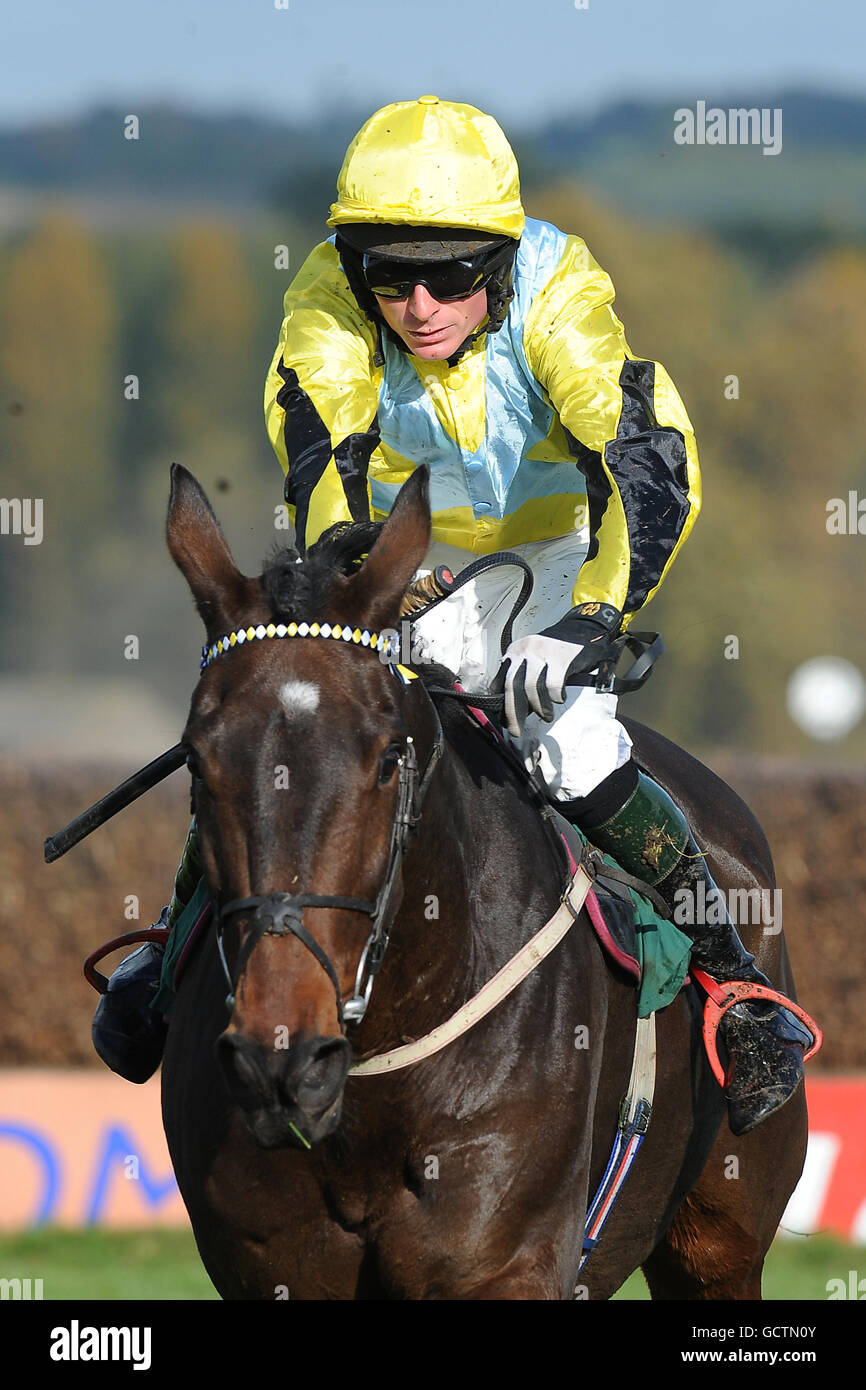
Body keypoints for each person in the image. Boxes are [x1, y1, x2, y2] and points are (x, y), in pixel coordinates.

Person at [93, 96, 810, 1134]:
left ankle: (733, 980)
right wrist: (363, 588)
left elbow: (651, 466)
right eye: (391, 275)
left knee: (565, 745)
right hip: (401, 554)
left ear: (504, 262)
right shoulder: (325, 301)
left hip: (561, 551)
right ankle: (172, 953)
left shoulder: (561, 291)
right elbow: (322, 466)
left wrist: (597, 615)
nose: (420, 303)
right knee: (294, 724)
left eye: (453, 275)